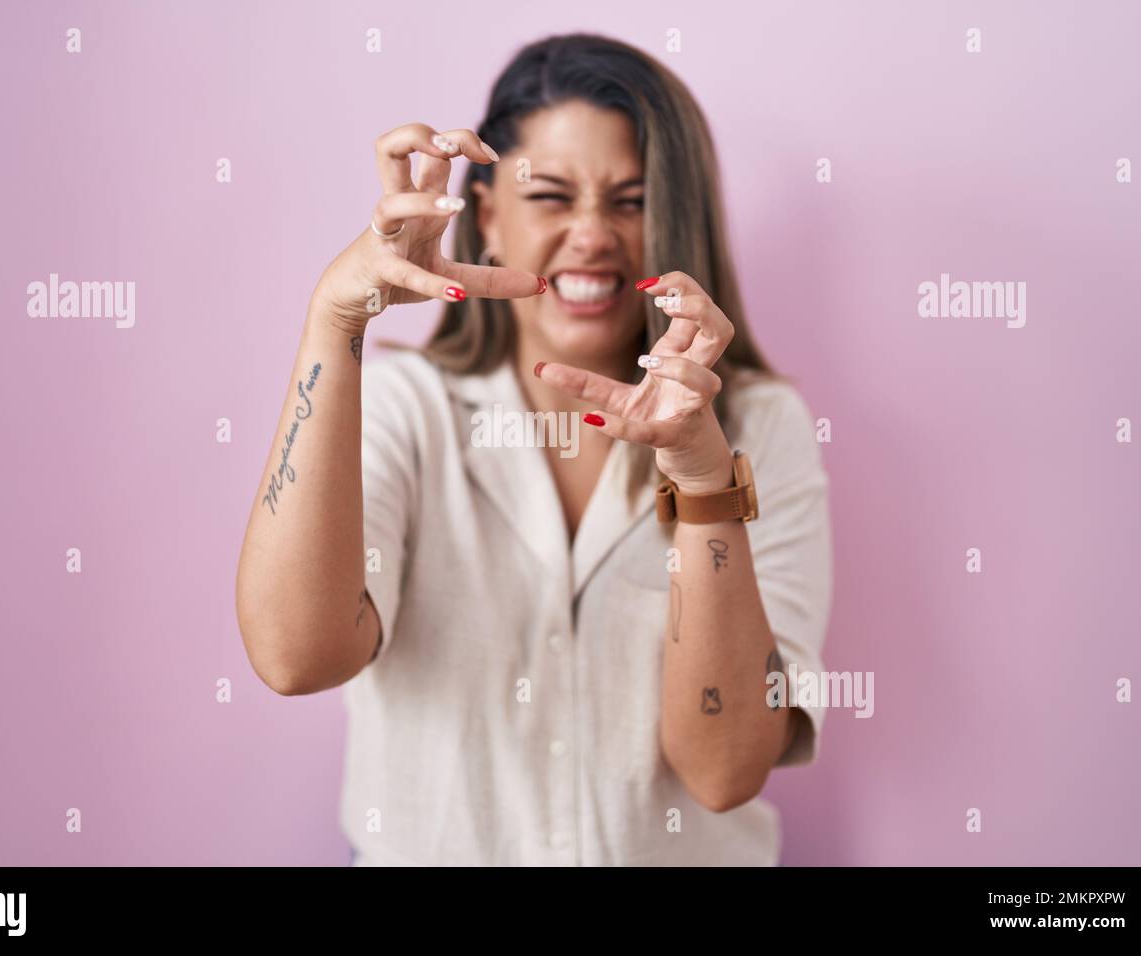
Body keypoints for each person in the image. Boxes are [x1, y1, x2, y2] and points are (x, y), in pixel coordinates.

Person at [235, 33, 832, 866]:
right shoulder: (410, 411)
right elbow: (295, 656)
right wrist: (336, 320)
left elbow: (725, 767)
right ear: (486, 213)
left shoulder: (761, 426)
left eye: (632, 200)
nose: (592, 237)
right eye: (550, 194)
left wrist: (701, 479)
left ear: (677, 217)